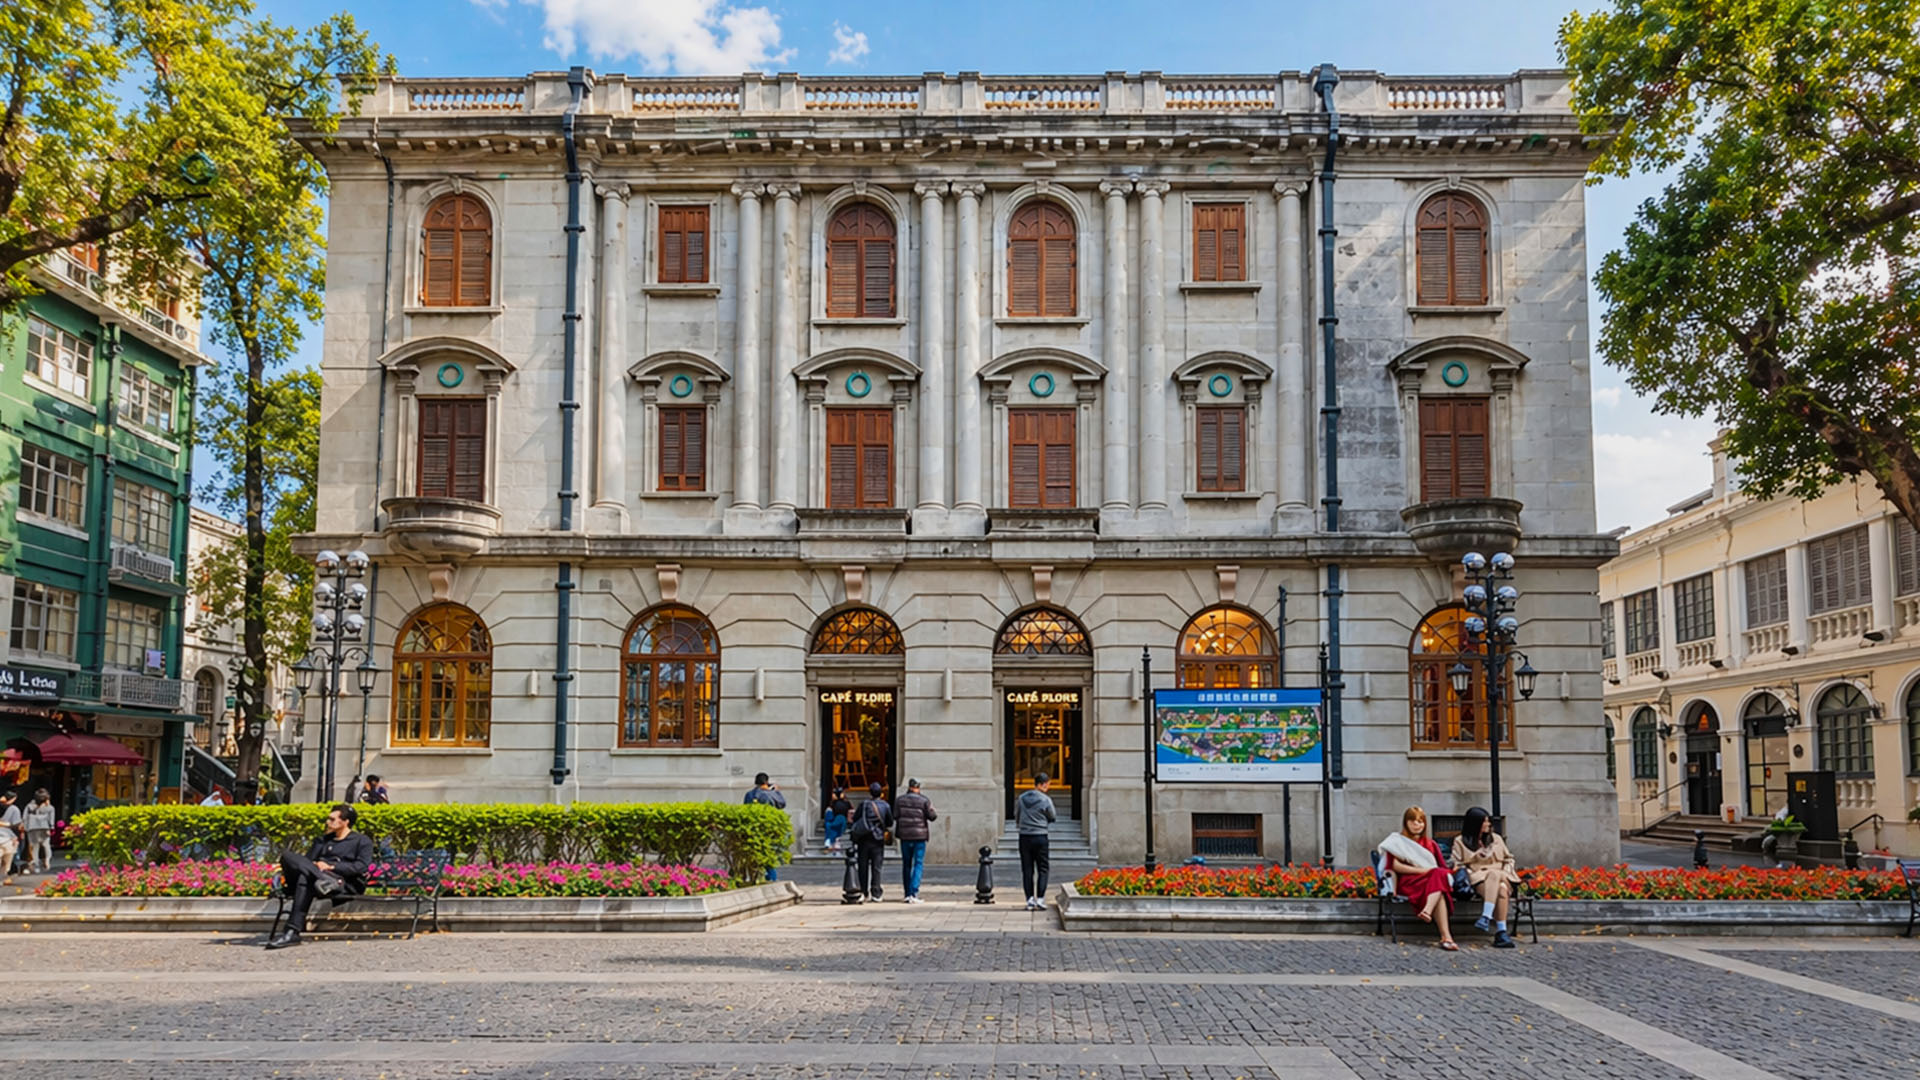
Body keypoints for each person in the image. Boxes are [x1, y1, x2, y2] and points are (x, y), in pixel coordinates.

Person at [266, 804, 373, 950]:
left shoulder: (361, 840)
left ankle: (292, 932)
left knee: (305, 879)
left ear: (345, 821)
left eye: (332, 819)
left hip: (341, 883)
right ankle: (321, 879)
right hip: (319, 879)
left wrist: (331, 867)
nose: (328, 822)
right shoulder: (322, 841)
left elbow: (361, 866)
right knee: (287, 857)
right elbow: (306, 862)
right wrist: (317, 867)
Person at [1377, 806, 1458, 951]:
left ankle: (1443, 932)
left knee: (1438, 880)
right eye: (1413, 821)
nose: (1417, 825)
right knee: (1438, 883)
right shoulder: (1397, 842)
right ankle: (1446, 936)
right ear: (1406, 823)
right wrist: (1423, 871)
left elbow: (1442, 868)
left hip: (1430, 882)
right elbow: (1394, 866)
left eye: (1420, 822)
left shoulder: (1431, 844)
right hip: (1410, 882)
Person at [1450, 806, 1521, 949]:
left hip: (1501, 875)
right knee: (1501, 890)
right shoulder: (1460, 841)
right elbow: (1457, 864)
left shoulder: (1496, 839)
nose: (1488, 824)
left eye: (1488, 821)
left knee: (1495, 875)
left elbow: (1509, 859)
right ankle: (1501, 932)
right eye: (1484, 822)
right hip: (1478, 878)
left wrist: (1507, 871)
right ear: (1475, 823)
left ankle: (1486, 916)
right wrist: (1473, 857)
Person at [1015, 772, 1057, 910]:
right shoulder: (1045, 800)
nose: (1048, 787)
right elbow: (1052, 816)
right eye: (1048, 784)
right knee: (1043, 868)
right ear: (1042, 784)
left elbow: (1017, 815)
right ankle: (1040, 898)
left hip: (1025, 837)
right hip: (1040, 836)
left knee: (1027, 869)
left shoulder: (1021, 798)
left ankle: (1029, 899)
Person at [892, 778, 937, 903]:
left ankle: (907, 893)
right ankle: (914, 892)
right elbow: (932, 817)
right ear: (918, 787)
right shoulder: (924, 800)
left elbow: (895, 816)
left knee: (906, 864)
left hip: (905, 836)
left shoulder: (899, 800)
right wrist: (932, 809)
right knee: (918, 864)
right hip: (919, 836)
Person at [849, 781, 893, 902]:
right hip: (878, 839)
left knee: (863, 866)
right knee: (877, 867)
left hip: (863, 839)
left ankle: (863, 891)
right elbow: (890, 822)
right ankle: (876, 892)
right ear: (881, 793)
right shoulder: (885, 806)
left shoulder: (864, 804)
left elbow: (855, 818)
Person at [744, 773, 788, 881]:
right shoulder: (770, 794)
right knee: (769, 855)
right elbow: (782, 804)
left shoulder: (749, 794)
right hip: (769, 828)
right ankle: (771, 878)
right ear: (766, 782)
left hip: (753, 829)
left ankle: (758, 876)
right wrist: (776, 791)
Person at [22, 789, 55, 874]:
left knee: (34, 846)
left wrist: (25, 827)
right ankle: (47, 860)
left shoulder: (29, 806)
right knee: (46, 845)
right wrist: (51, 827)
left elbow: (24, 817)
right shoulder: (49, 808)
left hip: (32, 827)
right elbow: (51, 819)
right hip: (44, 827)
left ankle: (36, 864)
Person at [823, 785, 851, 853]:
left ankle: (830, 840)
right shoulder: (846, 803)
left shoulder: (834, 804)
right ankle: (833, 840)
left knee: (830, 821)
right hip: (840, 822)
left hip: (838, 821)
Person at [0, 791, 20, 878]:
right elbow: (16, 825)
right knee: (7, 860)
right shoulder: (14, 809)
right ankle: (5, 876)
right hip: (7, 837)